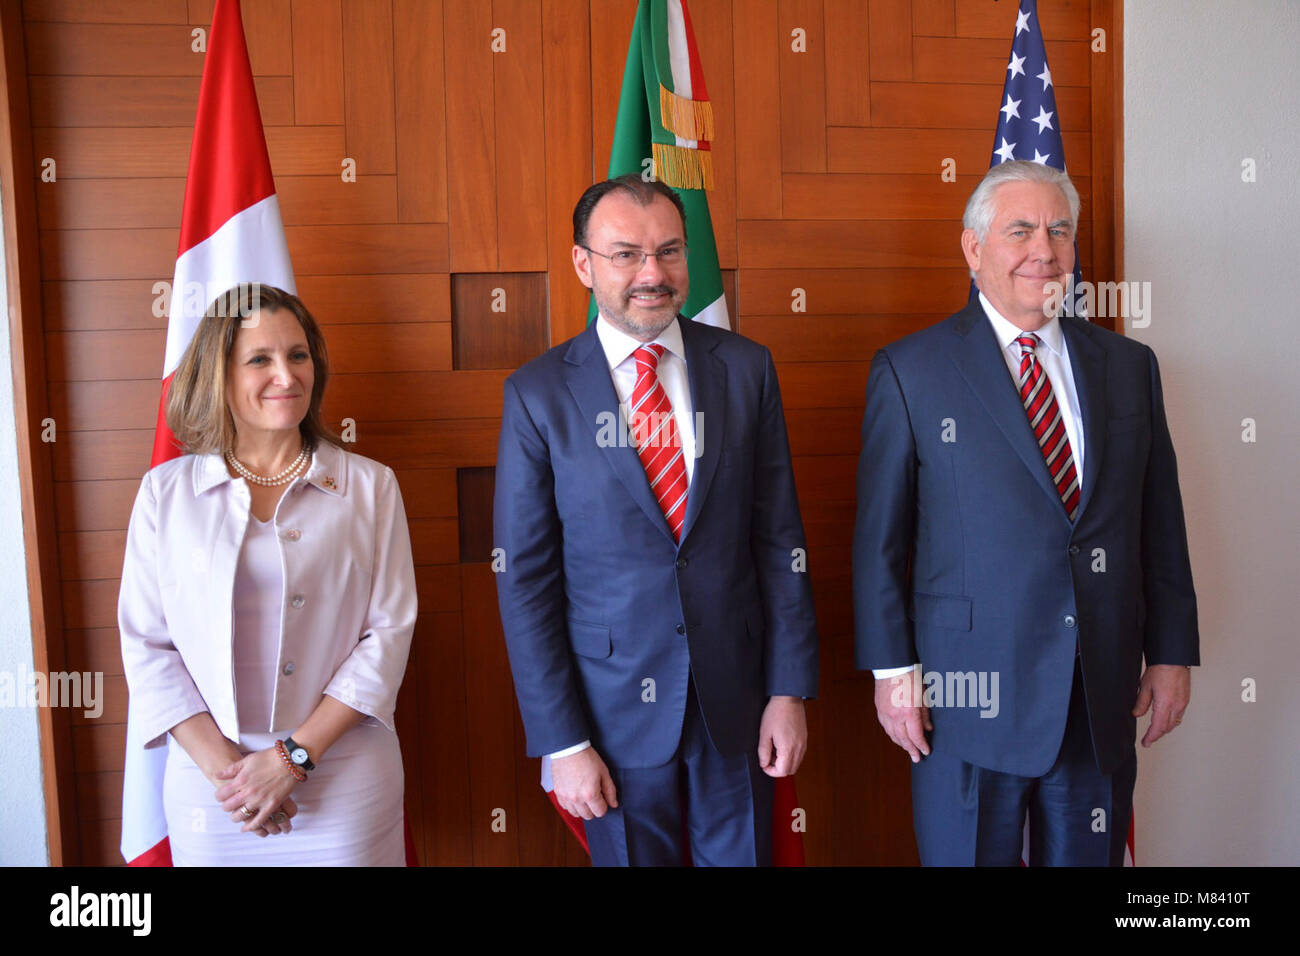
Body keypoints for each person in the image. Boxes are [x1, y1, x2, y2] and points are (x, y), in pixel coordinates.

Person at [853, 160, 1199, 866]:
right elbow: (879, 545)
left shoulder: (1130, 366)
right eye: (1021, 230)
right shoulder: (911, 370)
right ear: (974, 249)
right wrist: (893, 674)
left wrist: (1170, 652)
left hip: (1095, 693)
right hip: (966, 699)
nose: (1045, 251)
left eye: (1059, 231)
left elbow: (1160, 523)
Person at [493, 174, 819, 866]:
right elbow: (525, 583)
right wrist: (563, 741)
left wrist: (788, 689)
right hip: (611, 722)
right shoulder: (537, 394)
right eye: (626, 254)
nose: (653, 273)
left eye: (670, 251)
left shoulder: (746, 369)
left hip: (737, 706)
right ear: (584, 263)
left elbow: (779, 541)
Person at [118, 283, 417, 865]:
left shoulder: (371, 487)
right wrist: (233, 777)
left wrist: (291, 761)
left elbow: (389, 634)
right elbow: (147, 644)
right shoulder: (166, 494)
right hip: (215, 790)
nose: (287, 375)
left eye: (298, 355)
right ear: (219, 375)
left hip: (344, 775)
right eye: (260, 359)